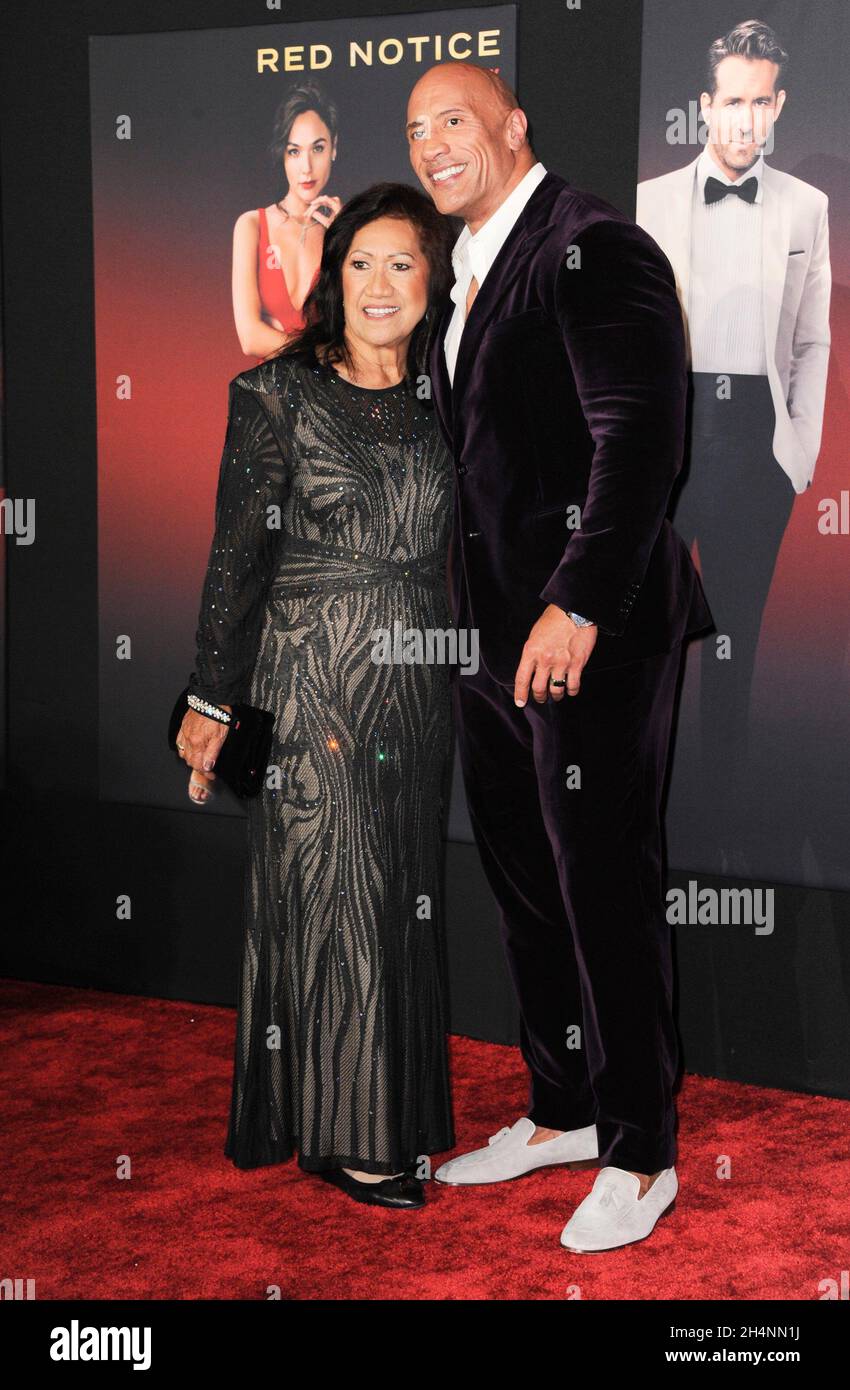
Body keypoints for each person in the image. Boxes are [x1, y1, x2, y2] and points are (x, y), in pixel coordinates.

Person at [406, 61, 713, 1251]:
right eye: (416, 128)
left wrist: (579, 603)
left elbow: (639, 438)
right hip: (489, 639)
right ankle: (564, 1108)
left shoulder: (592, 243)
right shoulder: (466, 271)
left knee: (601, 883)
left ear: (512, 124)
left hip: (594, 632)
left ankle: (640, 1149)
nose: (434, 145)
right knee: (529, 884)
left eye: (454, 120)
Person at [175, 182, 458, 1207]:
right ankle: (354, 1136)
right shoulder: (275, 394)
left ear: (434, 279)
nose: (379, 285)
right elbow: (233, 559)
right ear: (333, 277)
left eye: (402, 264)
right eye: (359, 264)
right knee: (340, 891)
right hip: (311, 680)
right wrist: (211, 701)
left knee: (397, 894)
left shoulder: (447, 393)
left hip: (418, 686)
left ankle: (380, 1112)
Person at [636, 19, 831, 872]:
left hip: (760, 448)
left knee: (735, 645)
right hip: (672, 446)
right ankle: (640, 808)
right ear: (704, 105)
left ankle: (716, 837)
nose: (746, 120)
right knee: (648, 636)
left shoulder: (806, 207)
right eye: (732, 102)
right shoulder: (644, 201)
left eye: (762, 102)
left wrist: (802, 455)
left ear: (778, 104)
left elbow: (816, 341)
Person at [190, 82, 343, 806]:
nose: (305, 164)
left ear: (335, 150)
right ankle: (217, 741)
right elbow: (251, 336)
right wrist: (318, 345)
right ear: (278, 155)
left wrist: (323, 242)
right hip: (268, 425)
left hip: (331, 432)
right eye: (293, 149)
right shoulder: (249, 224)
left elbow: (347, 332)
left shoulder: (346, 230)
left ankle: (301, 763)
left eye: (318, 148)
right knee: (243, 574)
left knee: (306, 595)